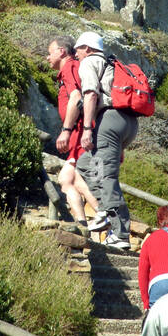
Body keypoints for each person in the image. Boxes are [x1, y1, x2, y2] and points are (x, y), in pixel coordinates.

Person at [76, 31, 138, 252]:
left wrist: (86, 128)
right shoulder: (112, 62)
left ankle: (120, 234)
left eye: (78, 49)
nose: (76, 54)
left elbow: (91, 94)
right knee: (85, 165)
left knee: (107, 176)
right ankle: (104, 209)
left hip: (109, 119)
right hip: (129, 123)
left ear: (88, 48)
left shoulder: (90, 62)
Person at [46, 37, 103, 232]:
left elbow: (76, 97)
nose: (47, 57)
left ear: (62, 51)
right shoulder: (69, 70)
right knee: (66, 180)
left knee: (79, 178)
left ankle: (102, 214)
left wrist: (65, 131)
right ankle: (82, 225)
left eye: (50, 52)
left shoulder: (70, 66)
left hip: (80, 134)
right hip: (79, 134)